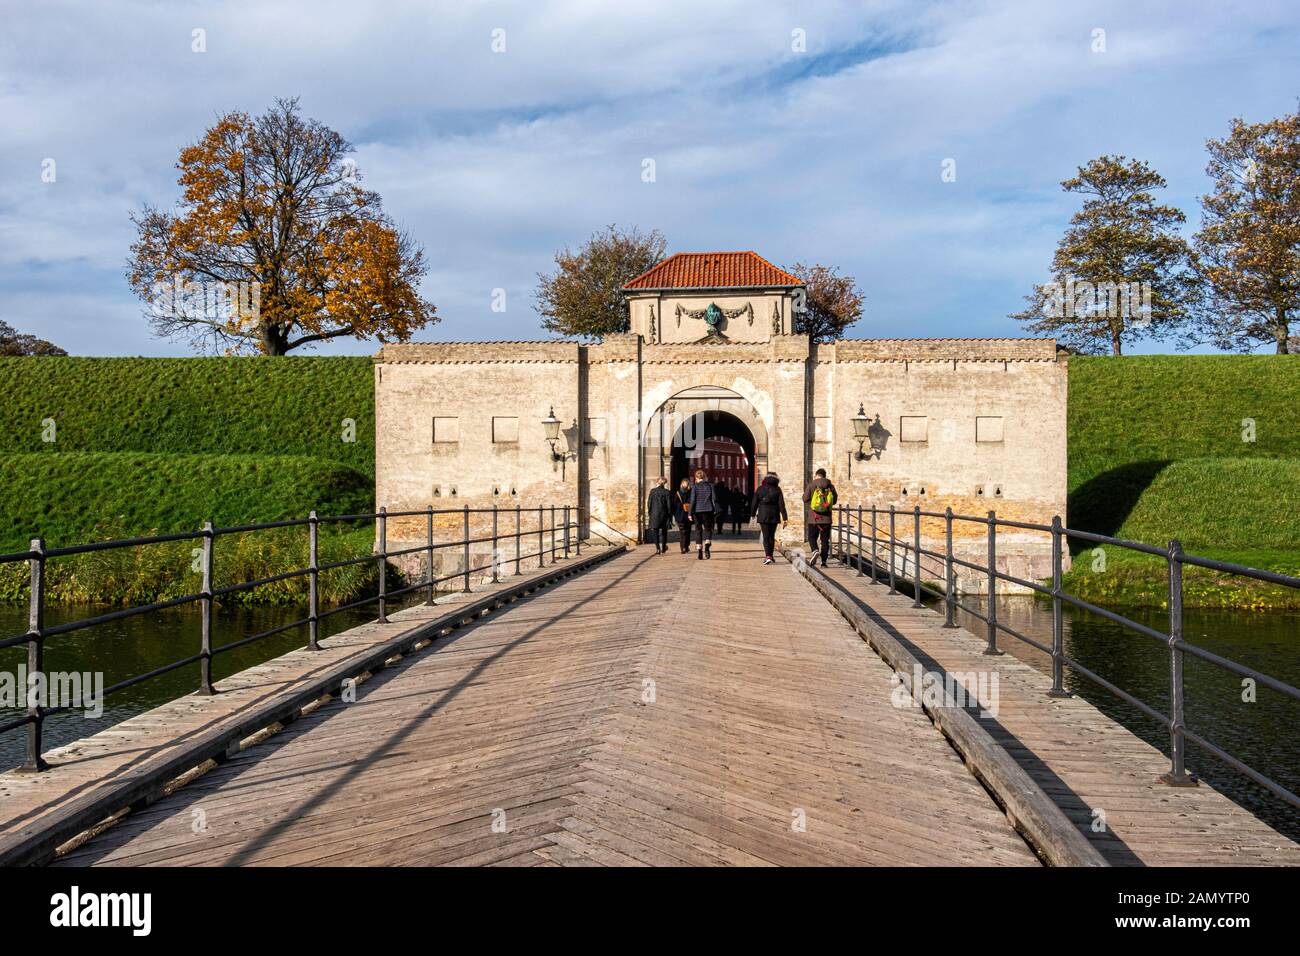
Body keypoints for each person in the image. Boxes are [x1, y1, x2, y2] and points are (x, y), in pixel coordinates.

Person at [802, 467, 838, 567]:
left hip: (813, 518)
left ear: (816, 475)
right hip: (826, 519)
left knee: (811, 537)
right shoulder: (830, 486)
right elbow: (834, 501)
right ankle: (824, 562)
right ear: (824, 476)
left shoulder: (812, 484)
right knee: (825, 540)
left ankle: (815, 550)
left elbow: (805, 499)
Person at [751, 473, 788, 564]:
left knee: (766, 536)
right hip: (774, 515)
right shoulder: (778, 490)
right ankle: (770, 556)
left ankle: (768, 556)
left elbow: (754, 502)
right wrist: (785, 518)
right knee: (771, 536)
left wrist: (752, 514)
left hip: (763, 515)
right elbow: (781, 505)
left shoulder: (760, 489)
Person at [688, 468, 717, 559]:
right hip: (708, 510)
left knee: (698, 530)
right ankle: (707, 546)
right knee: (708, 529)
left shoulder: (695, 487)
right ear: (704, 477)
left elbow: (692, 500)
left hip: (697, 511)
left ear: (696, 477)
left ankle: (700, 552)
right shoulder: (710, 486)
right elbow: (715, 498)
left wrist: (689, 513)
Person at [645, 477, 674, 554]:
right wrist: (670, 515)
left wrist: (650, 513)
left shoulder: (653, 491)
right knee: (664, 532)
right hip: (664, 514)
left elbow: (649, 503)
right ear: (665, 483)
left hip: (654, 514)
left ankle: (657, 548)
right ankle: (663, 547)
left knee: (655, 531)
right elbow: (669, 505)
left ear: (657, 482)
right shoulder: (667, 492)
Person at [672, 477, 692, 553]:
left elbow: (674, 505)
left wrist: (675, 515)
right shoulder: (691, 492)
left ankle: (683, 547)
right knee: (688, 531)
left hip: (679, 515)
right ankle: (686, 545)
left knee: (682, 532)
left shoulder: (677, 493)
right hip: (688, 515)